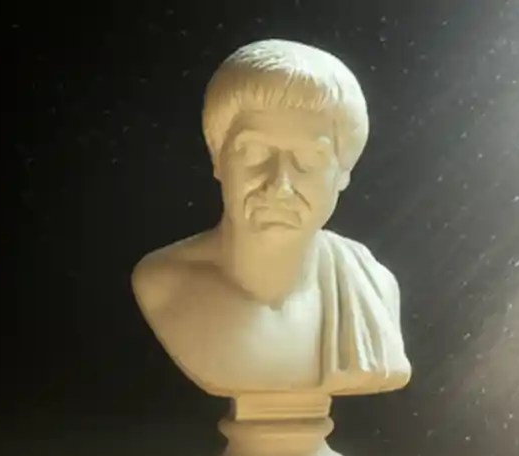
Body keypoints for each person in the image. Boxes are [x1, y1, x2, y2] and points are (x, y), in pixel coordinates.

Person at [133, 39, 411, 399]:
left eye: (309, 160)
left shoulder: (373, 285)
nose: (280, 185)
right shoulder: (164, 284)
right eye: (254, 152)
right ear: (218, 159)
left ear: (343, 172)